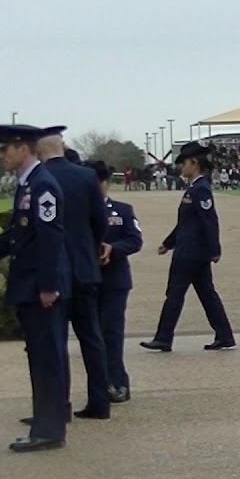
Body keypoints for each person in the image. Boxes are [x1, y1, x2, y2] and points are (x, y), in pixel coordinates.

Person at [0, 123, 72, 453]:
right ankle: (44, 422)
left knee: (46, 356)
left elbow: (50, 239)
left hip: (41, 288)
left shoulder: (42, 186)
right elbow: (19, 233)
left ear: (23, 149)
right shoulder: (27, 186)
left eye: (5, 149)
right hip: (30, 285)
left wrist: (49, 285)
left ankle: (49, 430)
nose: (1, 156)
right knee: (39, 355)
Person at [36, 132, 111, 420]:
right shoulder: (85, 177)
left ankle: (58, 404)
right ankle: (99, 400)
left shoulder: (38, 178)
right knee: (91, 336)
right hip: (83, 265)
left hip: (53, 269)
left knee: (55, 341)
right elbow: (100, 221)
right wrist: (89, 247)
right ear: (62, 147)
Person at [142, 141, 236, 352]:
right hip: (192, 251)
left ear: (194, 163)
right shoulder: (194, 189)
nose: (181, 168)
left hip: (190, 253)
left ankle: (164, 337)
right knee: (207, 294)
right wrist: (168, 243)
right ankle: (224, 335)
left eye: (184, 163)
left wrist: (215, 249)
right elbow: (185, 224)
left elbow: (209, 220)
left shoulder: (201, 190)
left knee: (174, 294)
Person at [86, 160, 142, 402]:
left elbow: (135, 240)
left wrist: (114, 248)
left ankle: (118, 382)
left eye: (98, 182)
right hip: (87, 280)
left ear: (106, 183)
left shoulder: (122, 210)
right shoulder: (78, 211)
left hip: (115, 280)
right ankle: (99, 385)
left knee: (111, 333)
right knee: (92, 335)